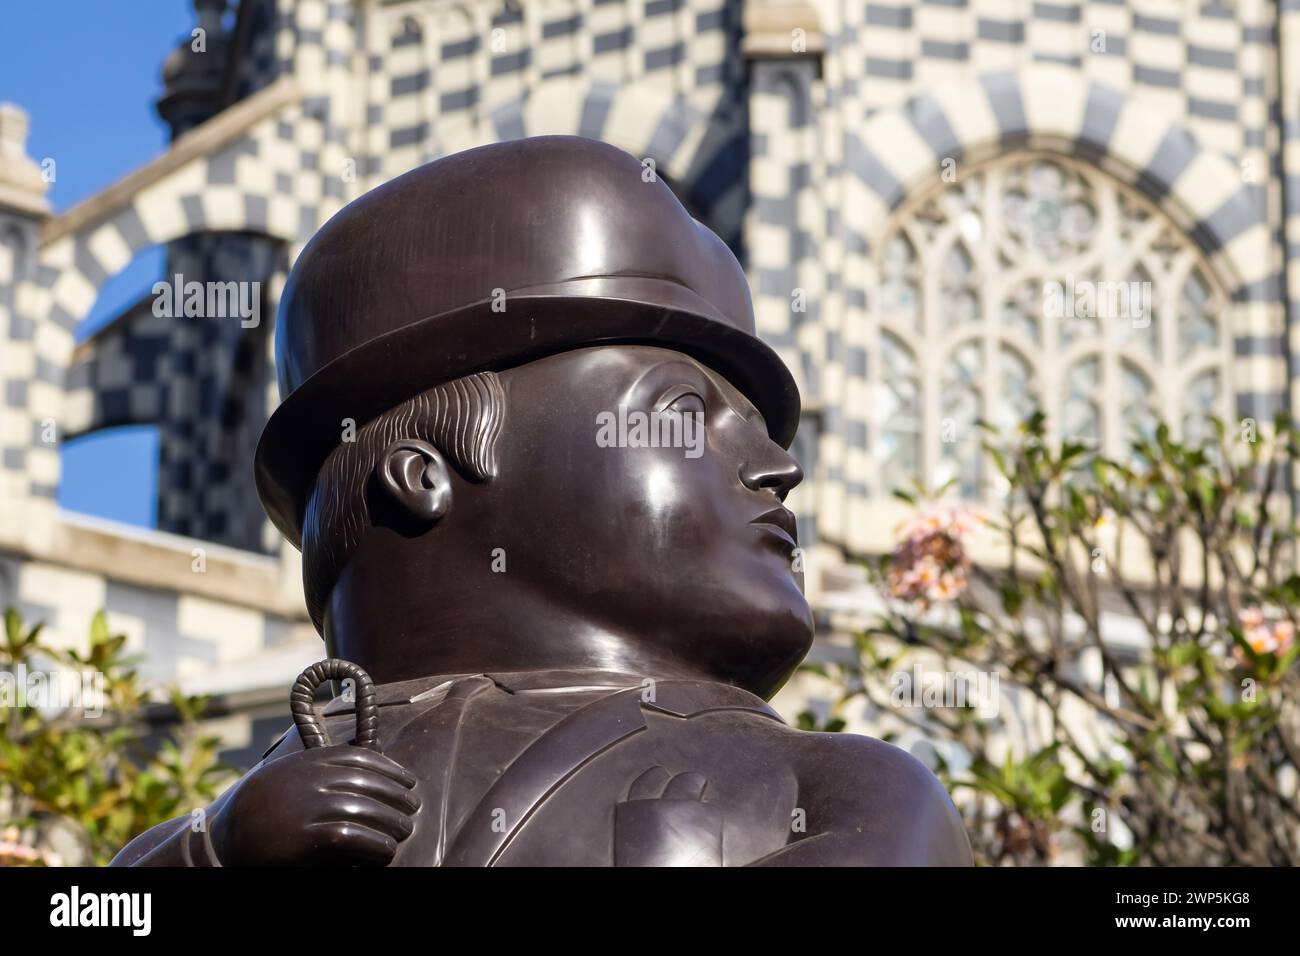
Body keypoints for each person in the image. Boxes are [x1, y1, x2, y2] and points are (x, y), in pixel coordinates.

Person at [113, 136, 971, 866]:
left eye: (757, 427)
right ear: (423, 477)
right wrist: (211, 847)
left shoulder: (846, 791)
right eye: (682, 418)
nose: (779, 466)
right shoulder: (254, 807)